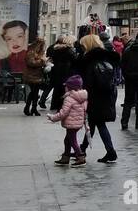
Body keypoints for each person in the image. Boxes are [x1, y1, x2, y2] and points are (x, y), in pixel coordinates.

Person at [74, 34, 121, 163]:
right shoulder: (108, 57)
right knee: (94, 123)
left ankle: (110, 152)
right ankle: (82, 149)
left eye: (84, 45)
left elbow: (87, 80)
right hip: (106, 95)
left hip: (94, 96)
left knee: (98, 123)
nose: (82, 47)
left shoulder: (89, 60)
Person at [49, 74, 88, 167]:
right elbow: (84, 110)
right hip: (78, 123)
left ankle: (80, 157)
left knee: (72, 140)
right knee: (68, 140)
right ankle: (66, 157)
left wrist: (53, 117)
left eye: (66, 86)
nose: (65, 88)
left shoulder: (69, 98)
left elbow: (63, 113)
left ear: (70, 88)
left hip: (72, 123)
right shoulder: (82, 97)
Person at [46, 36, 77, 112]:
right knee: (64, 89)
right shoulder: (69, 50)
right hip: (66, 70)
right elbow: (74, 60)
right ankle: (62, 105)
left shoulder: (56, 49)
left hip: (57, 70)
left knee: (57, 88)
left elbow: (52, 59)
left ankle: (54, 105)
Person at [22, 37, 50, 116]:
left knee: (35, 92)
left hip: (38, 75)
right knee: (34, 92)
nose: (42, 47)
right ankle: (29, 108)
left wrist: (45, 62)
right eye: (41, 45)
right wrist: (42, 61)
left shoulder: (40, 52)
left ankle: (32, 108)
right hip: (31, 75)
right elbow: (31, 63)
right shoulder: (31, 52)